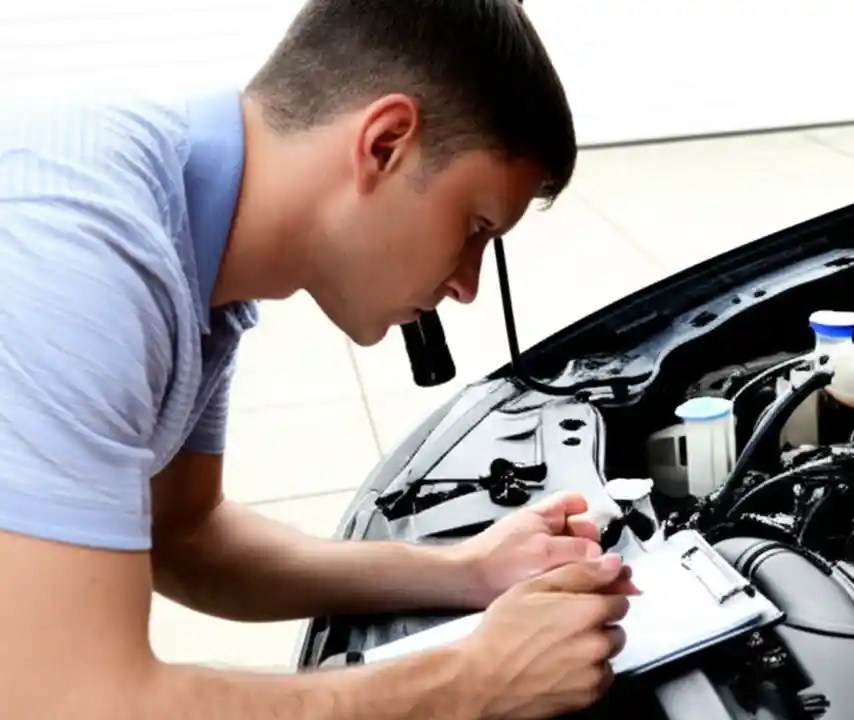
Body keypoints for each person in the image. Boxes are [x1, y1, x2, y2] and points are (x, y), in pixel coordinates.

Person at [0, 0, 638, 718]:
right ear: (386, 143)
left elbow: (185, 536)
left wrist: (467, 570)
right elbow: (65, 700)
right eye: (474, 226)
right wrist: (473, 681)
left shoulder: (193, 252)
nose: (466, 286)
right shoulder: (80, 249)